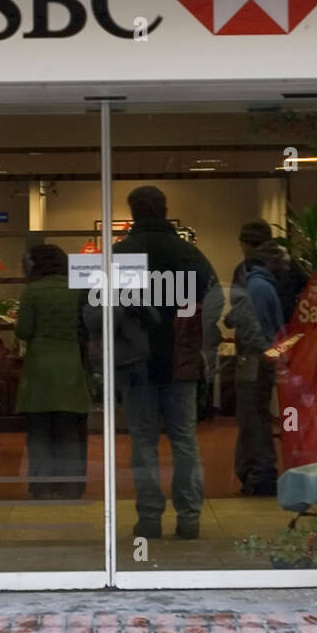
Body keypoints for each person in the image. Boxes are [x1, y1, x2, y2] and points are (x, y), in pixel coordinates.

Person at [112, 186, 222, 539]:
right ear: (164, 210)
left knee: (143, 442)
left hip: (135, 364)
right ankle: (189, 518)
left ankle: (149, 519)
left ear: (133, 214)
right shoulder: (190, 254)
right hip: (182, 360)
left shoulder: (122, 253)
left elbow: (98, 306)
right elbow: (213, 301)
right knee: (185, 440)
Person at [15, 244, 91, 499]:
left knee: (38, 431)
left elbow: (23, 330)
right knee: (68, 431)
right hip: (70, 363)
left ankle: (42, 486)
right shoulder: (77, 290)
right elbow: (86, 327)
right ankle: (70, 486)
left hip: (39, 366)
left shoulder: (32, 291)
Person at [226, 225, 286, 496]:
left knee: (254, 419)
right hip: (261, 359)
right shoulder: (267, 281)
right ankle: (254, 472)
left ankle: (261, 475)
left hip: (253, 361)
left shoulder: (256, 285)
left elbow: (256, 329)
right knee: (254, 418)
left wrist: (265, 355)